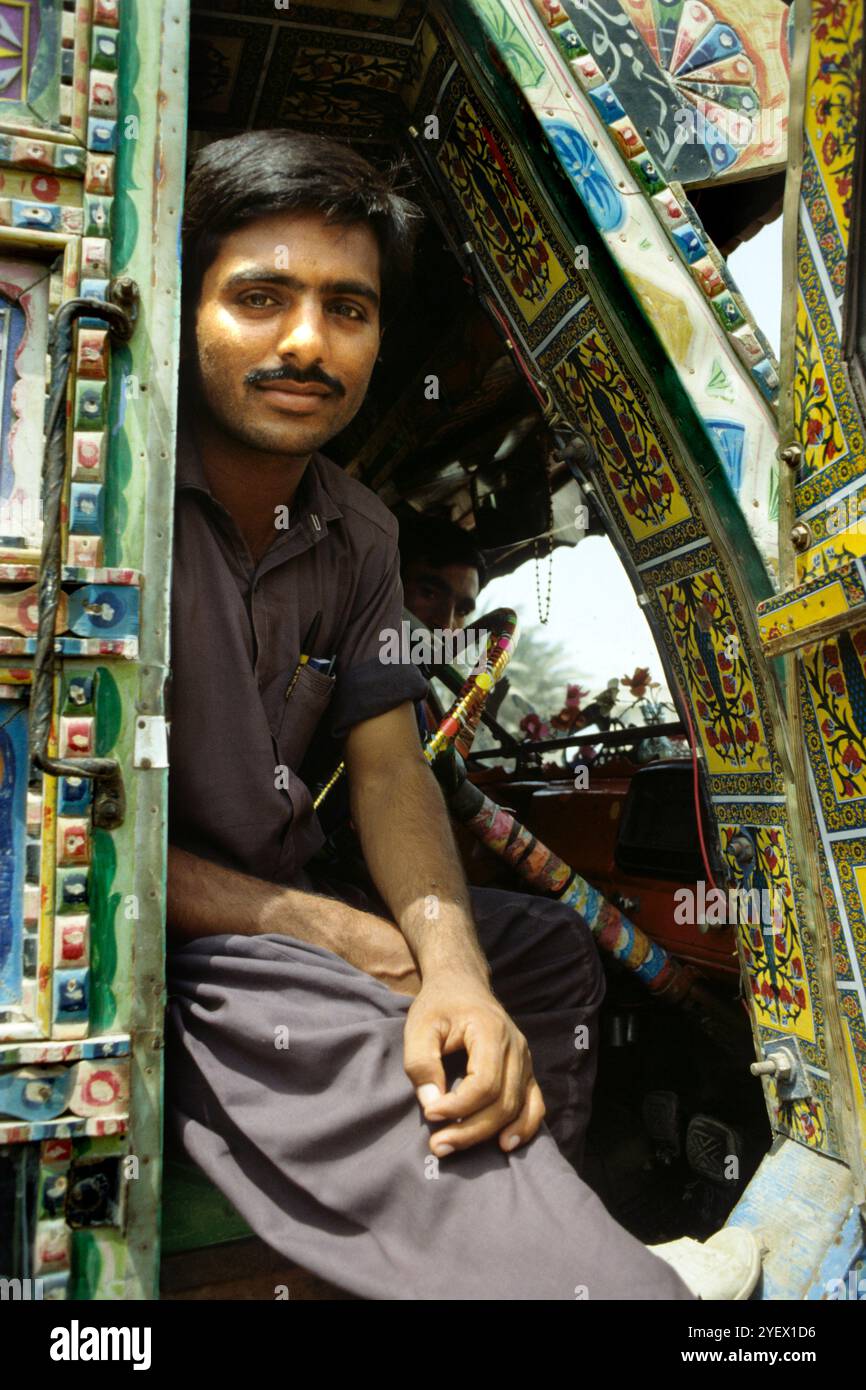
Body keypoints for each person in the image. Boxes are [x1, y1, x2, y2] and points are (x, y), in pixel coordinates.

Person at [164, 128, 759, 1301]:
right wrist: (340, 935)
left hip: (279, 906)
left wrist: (452, 969)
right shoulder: (104, 488)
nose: (305, 341)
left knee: (533, 954)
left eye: (348, 308)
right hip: (159, 927)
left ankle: (542, 1224)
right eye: (259, 297)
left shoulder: (360, 534)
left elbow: (389, 769)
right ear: (185, 309)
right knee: (358, 997)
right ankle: (602, 1288)